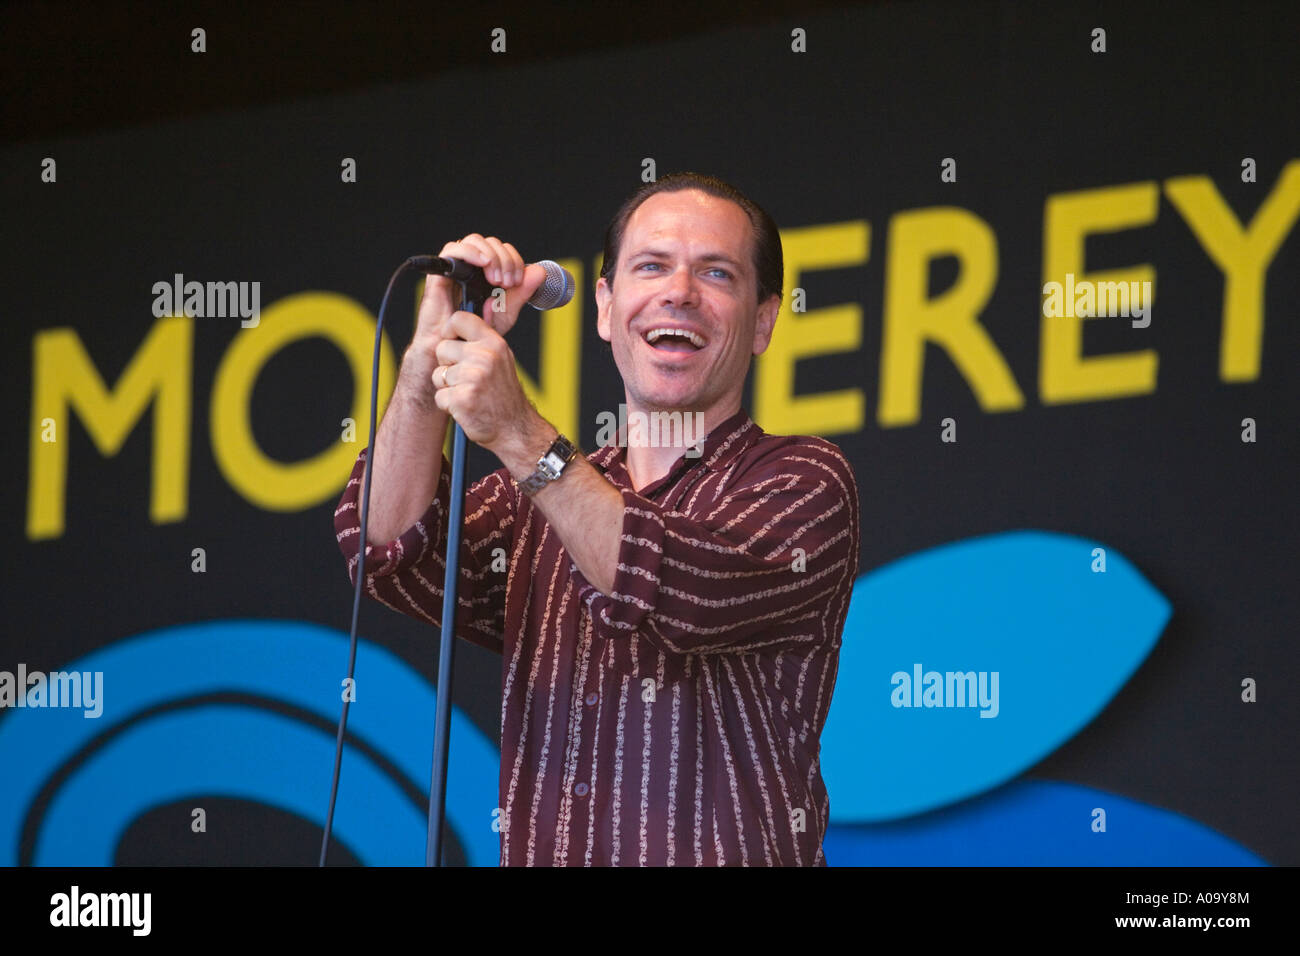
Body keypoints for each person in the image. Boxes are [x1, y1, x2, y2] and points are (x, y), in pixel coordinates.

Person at [334, 172, 861, 866]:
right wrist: (426, 364)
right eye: (651, 266)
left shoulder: (802, 478)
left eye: (715, 272)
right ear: (606, 308)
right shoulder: (537, 502)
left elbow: (676, 593)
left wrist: (521, 436)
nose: (678, 291)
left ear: (763, 319)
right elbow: (389, 551)